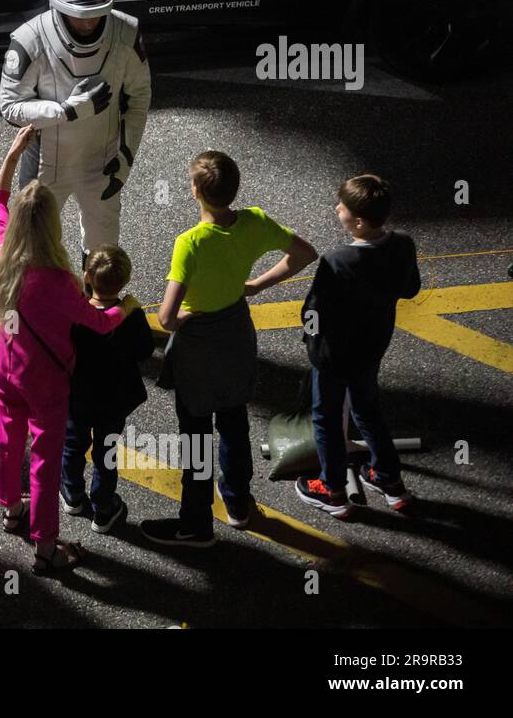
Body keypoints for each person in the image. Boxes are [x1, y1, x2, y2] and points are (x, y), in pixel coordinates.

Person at [0, 125, 139, 574]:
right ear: (53, 226)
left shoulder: (0, 252)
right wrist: (124, 308)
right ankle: (46, 546)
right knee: (46, 456)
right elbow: (97, 321)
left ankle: (12, 508)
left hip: (5, 362)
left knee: (8, 435)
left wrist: (13, 155)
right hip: (45, 379)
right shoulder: (59, 281)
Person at [142, 151, 317, 548]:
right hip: (237, 334)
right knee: (234, 423)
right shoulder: (254, 220)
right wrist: (255, 285)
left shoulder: (190, 243)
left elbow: (166, 319)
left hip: (199, 348)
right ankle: (238, 504)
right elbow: (304, 254)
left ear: (196, 192)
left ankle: (195, 523)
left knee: (197, 438)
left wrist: (187, 314)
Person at [0, 0, 152, 259]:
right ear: (59, 8)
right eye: (79, 16)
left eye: (97, 13)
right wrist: (66, 110)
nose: (89, 22)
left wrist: (125, 156)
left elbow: (139, 95)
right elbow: (10, 106)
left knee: (103, 253)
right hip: (45, 165)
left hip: (103, 161)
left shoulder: (126, 33)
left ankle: (96, 305)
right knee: (31, 251)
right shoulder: (30, 40)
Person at [295, 175, 420, 517]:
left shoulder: (337, 261)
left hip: (334, 355)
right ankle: (388, 479)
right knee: (367, 409)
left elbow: (312, 311)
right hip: (372, 346)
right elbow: (410, 289)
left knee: (328, 417)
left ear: (359, 221)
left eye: (343, 208)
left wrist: (310, 342)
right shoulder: (403, 244)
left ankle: (332, 490)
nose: (337, 209)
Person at [61, 244, 154, 533]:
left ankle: (72, 494)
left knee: (73, 444)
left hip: (78, 396)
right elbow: (145, 351)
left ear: (87, 277)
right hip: (114, 399)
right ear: (125, 281)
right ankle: (103, 508)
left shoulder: (76, 314)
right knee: (106, 452)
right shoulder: (131, 316)